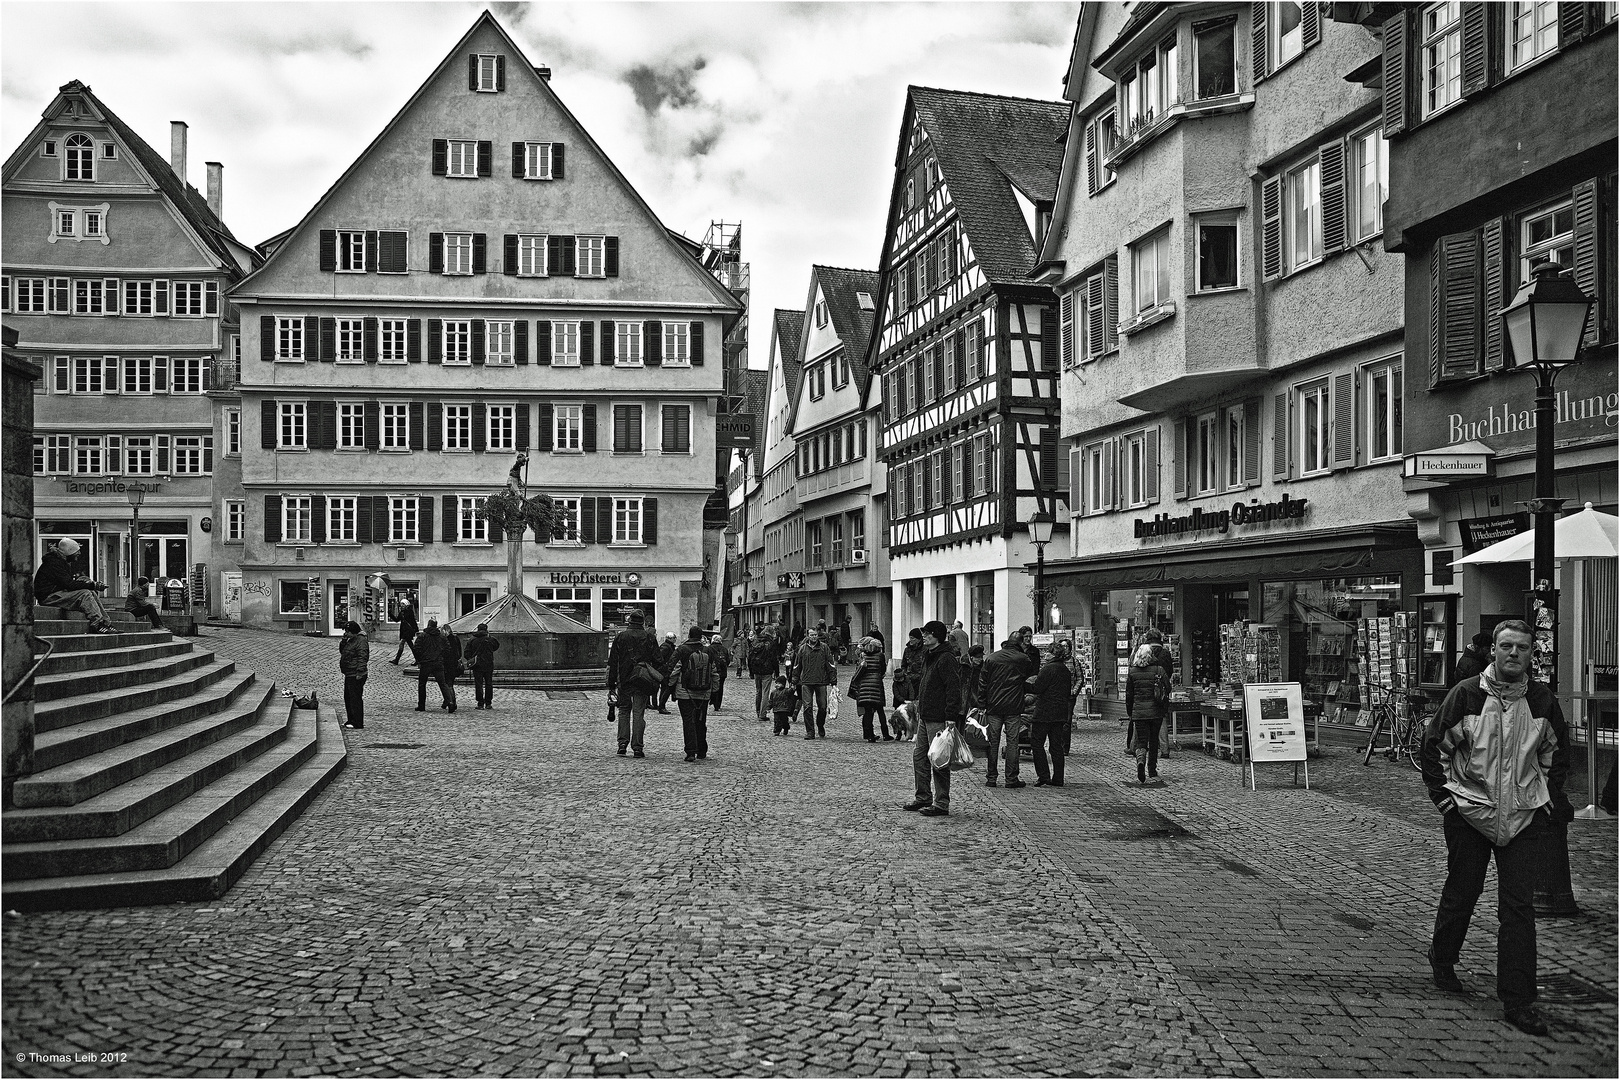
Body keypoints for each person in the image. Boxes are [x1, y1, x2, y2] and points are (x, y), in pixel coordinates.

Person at [1422, 619, 1571, 1038]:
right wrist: (1446, 801)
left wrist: (1544, 800)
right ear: (1494, 650)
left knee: (1518, 909)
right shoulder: (1466, 694)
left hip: (1523, 817)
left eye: (1522, 647)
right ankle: (1443, 957)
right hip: (1471, 812)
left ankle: (1519, 1000)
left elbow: (1556, 754)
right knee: (1463, 890)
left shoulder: (1542, 700)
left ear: (1531, 654)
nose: (1513, 654)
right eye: (1506, 646)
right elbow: (1434, 746)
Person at [904, 621, 967, 817]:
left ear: (937, 636)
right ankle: (923, 796)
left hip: (939, 717)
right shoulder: (929, 655)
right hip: (926, 715)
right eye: (923, 633)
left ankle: (941, 803)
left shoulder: (946, 658)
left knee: (939, 759)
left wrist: (950, 716)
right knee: (919, 757)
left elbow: (953, 688)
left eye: (927, 633)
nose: (924, 636)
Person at [979, 637, 1034, 788]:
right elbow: (1029, 678)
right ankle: (1011, 778)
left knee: (993, 743)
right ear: (1019, 644)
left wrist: (982, 703)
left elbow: (982, 683)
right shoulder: (1023, 659)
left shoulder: (991, 658)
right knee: (1012, 742)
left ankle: (991, 778)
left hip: (994, 705)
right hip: (1013, 706)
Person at [606, 612, 660, 757]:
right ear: (643, 622)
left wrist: (611, 684)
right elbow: (658, 659)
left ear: (629, 621)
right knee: (638, 713)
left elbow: (613, 662)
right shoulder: (649, 637)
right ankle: (637, 747)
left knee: (623, 711)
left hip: (624, 679)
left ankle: (622, 744)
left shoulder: (621, 637)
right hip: (642, 679)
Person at [34, 539, 115, 634]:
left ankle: (106, 623)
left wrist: (89, 585)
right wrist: (92, 585)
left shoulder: (61, 562)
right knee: (85, 594)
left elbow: (67, 583)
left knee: (91, 592)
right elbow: (69, 585)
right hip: (49, 597)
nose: (79, 554)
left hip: (55, 593)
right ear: (69, 551)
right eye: (77, 551)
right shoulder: (54, 563)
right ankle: (98, 624)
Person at [1028, 641, 1073, 787]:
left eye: (1047, 652)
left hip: (1044, 712)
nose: (1045, 654)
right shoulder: (1065, 670)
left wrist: (1025, 685)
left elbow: (1037, 688)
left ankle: (1044, 776)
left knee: (1037, 743)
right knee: (1056, 746)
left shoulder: (1047, 669)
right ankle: (1058, 778)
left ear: (1052, 654)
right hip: (1060, 712)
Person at [1124, 642, 1169, 786]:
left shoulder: (1132, 672)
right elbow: (1168, 687)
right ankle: (1152, 769)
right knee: (1154, 740)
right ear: (1151, 656)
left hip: (1139, 712)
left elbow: (1129, 695)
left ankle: (1141, 761)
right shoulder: (1158, 669)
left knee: (1141, 740)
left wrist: (1130, 712)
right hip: (1156, 712)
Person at [669, 627, 715, 762]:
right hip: (704, 692)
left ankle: (690, 751)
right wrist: (714, 690)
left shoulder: (682, 650)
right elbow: (714, 671)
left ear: (689, 635)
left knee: (688, 721)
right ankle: (701, 750)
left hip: (685, 692)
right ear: (701, 637)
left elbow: (674, 669)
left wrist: (670, 686)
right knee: (701, 720)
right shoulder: (708, 650)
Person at [793, 627, 837, 739]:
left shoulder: (824, 648)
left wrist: (833, 680)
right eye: (811, 635)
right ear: (808, 636)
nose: (813, 637)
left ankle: (820, 725)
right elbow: (797, 665)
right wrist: (794, 680)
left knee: (822, 707)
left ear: (818, 635)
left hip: (821, 681)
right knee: (807, 707)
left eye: (815, 635)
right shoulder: (802, 649)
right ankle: (810, 731)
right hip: (806, 681)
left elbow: (830, 664)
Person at [850, 636, 892, 742]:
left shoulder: (863, 655)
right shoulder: (880, 656)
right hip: (876, 685)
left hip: (864, 686)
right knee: (880, 711)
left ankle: (869, 736)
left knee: (868, 712)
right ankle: (885, 734)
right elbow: (883, 670)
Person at [412, 619, 455, 713]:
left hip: (426, 663)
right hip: (438, 663)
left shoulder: (422, 636)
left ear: (428, 625)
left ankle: (421, 705)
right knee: (443, 684)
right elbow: (448, 649)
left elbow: (416, 648)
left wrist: (420, 659)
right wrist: (441, 657)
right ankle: (450, 702)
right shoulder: (441, 637)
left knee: (422, 684)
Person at [338, 620, 369, 729]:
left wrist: (360, 672)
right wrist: (343, 641)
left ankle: (357, 722)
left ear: (353, 632)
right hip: (349, 673)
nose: (346, 633)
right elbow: (343, 651)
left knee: (355, 698)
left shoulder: (361, 641)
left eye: (348, 632)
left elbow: (363, 657)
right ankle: (351, 720)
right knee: (348, 697)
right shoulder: (350, 640)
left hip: (356, 673)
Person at [465, 624, 501, 710]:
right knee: (489, 683)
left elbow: (466, 652)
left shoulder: (472, 639)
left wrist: (471, 659)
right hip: (488, 664)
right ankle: (488, 703)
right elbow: (496, 646)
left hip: (477, 665)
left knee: (478, 684)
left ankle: (480, 703)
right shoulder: (490, 639)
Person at [748, 631, 781, 722]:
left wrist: (751, 671)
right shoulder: (770, 644)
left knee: (758, 691)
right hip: (767, 670)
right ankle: (763, 714)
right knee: (765, 693)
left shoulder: (755, 642)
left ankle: (758, 711)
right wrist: (776, 672)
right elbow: (774, 659)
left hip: (756, 670)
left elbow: (749, 657)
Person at [896, 628, 926, 707]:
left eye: (913, 638)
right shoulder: (907, 650)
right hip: (909, 681)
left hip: (920, 680)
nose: (910, 640)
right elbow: (904, 664)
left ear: (919, 639)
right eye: (910, 638)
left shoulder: (925, 650)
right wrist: (905, 674)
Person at [706, 634, 732, 713]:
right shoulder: (724, 649)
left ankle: (712, 699)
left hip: (712, 671)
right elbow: (727, 660)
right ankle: (717, 704)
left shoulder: (708, 649)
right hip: (722, 671)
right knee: (720, 687)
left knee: (711, 686)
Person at [390, 598, 419, 665]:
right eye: (401, 604)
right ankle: (417, 660)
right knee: (409, 645)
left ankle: (397, 660)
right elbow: (397, 620)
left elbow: (413, 621)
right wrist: (390, 614)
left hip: (408, 632)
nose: (402, 605)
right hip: (404, 631)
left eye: (403, 604)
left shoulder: (410, 612)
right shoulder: (401, 612)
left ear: (406, 605)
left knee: (404, 645)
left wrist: (416, 629)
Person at [655, 633, 678, 714]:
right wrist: (665, 666)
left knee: (665, 688)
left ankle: (661, 705)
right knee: (665, 688)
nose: (675, 639)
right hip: (664, 671)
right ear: (670, 638)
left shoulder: (669, 646)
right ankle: (661, 706)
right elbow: (660, 658)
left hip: (666, 670)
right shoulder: (666, 647)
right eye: (674, 638)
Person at [962, 643, 986, 711]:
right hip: (961, 703)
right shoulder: (961, 666)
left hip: (975, 704)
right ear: (971, 657)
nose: (980, 659)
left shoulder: (983, 668)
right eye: (978, 657)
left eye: (981, 657)